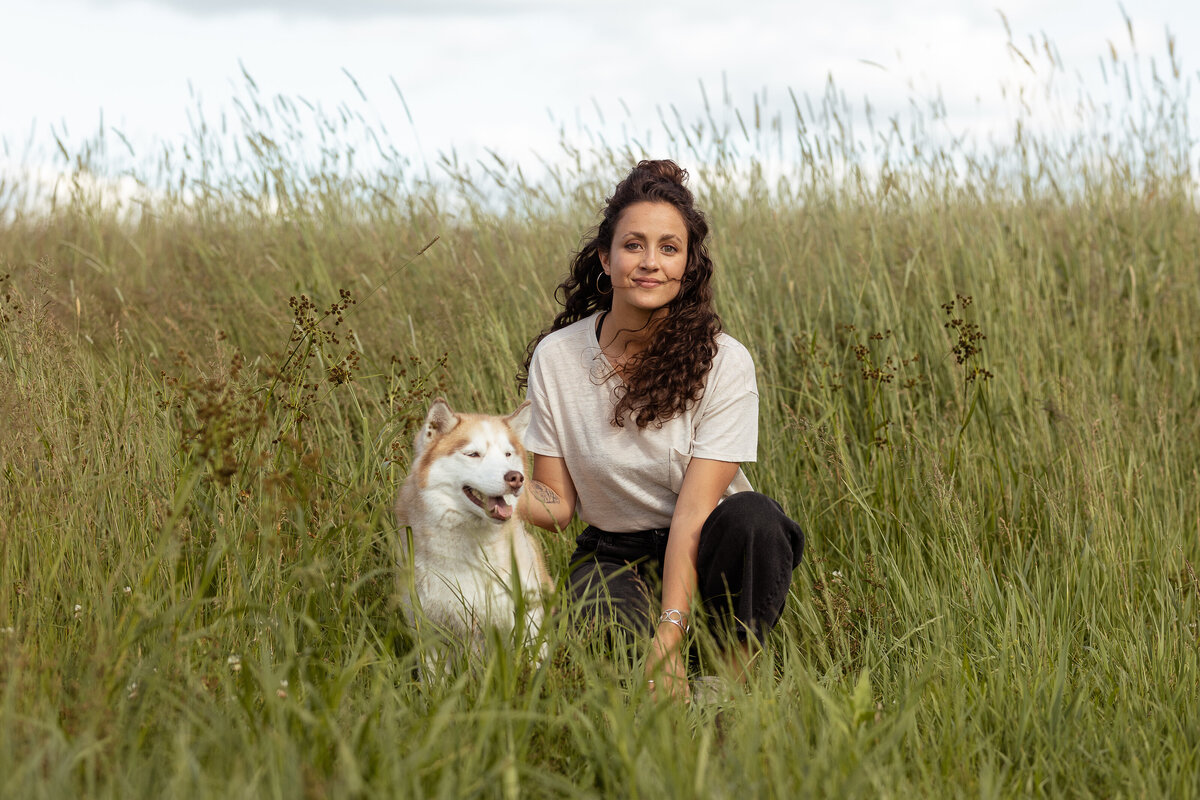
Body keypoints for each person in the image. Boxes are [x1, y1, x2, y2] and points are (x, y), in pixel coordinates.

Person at [517, 159, 804, 701]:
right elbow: (554, 505)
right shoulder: (557, 358)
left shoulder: (724, 362)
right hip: (613, 552)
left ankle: (727, 683)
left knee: (757, 520)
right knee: (609, 669)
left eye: (669, 248)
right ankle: (656, 666)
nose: (650, 263)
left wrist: (670, 634)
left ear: (688, 263)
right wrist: (490, 486)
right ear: (605, 257)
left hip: (709, 542)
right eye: (634, 246)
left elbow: (693, 516)